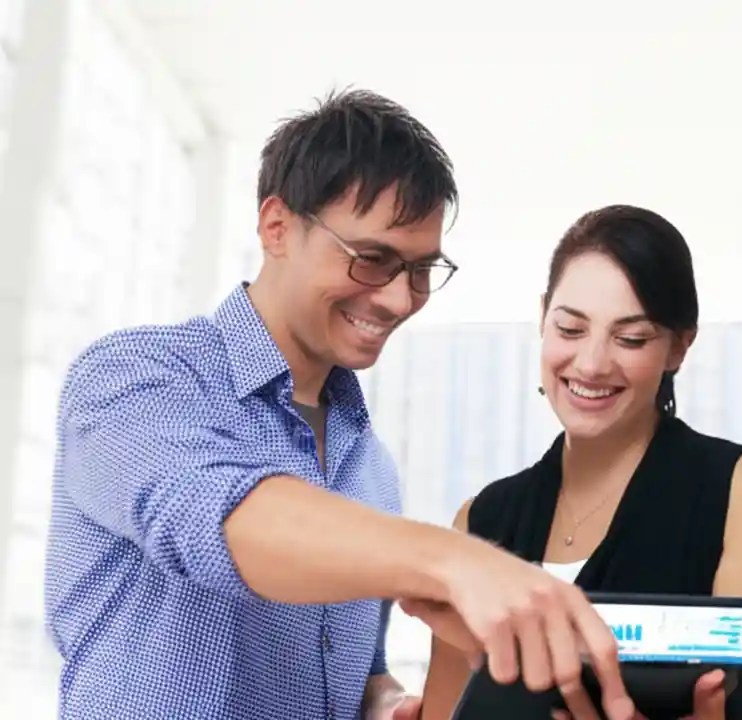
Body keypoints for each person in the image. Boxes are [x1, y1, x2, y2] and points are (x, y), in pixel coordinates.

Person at [43, 89, 635, 720]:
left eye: (420, 270)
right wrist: (453, 561)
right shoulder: (137, 378)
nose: (399, 299)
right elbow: (220, 518)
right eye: (372, 260)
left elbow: (355, 668)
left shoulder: (370, 468)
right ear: (277, 227)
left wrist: (384, 704)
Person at [415, 205, 742, 719]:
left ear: (679, 347)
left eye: (630, 338)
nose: (592, 364)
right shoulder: (483, 519)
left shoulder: (737, 488)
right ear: (542, 320)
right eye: (571, 329)